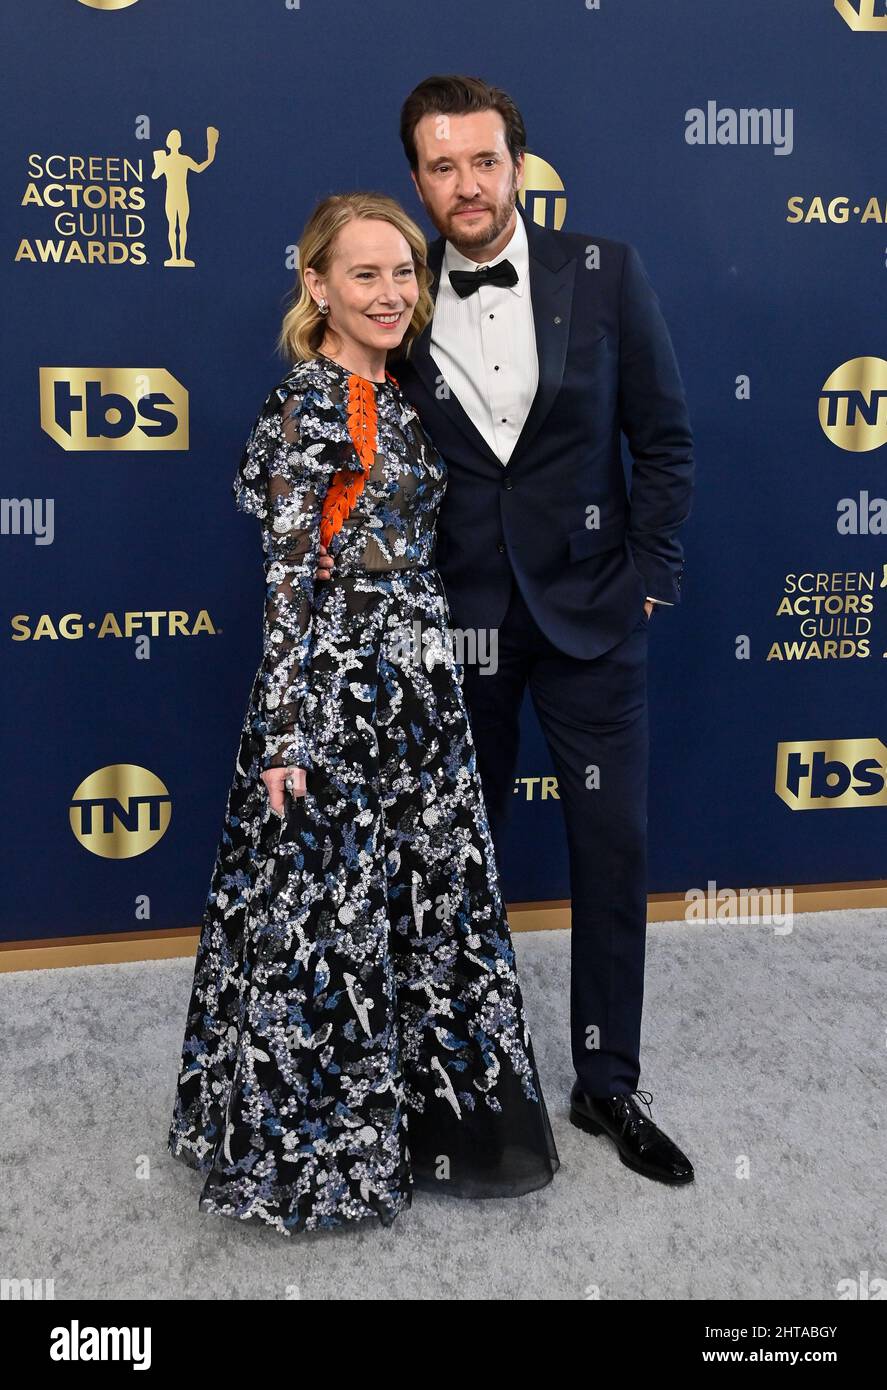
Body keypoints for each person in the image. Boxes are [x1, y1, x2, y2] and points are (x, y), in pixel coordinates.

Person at [318, 75, 696, 1185]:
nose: (465, 185)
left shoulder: (605, 273)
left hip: (592, 616)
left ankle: (606, 1085)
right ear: (418, 179)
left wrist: (647, 581)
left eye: (482, 161)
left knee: (609, 852)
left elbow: (663, 442)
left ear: (517, 166)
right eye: (440, 166)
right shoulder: (399, 293)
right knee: (442, 864)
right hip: (457, 626)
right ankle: (454, 1091)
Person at [167, 190, 560, 1236]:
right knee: (329, 925)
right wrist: (289, 735)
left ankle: (416, 1124)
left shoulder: (401, 391)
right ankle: (319, 1159)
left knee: (418, 911)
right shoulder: (313, 401)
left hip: (418, 678)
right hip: (339, 692)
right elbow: (290, 574)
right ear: (317, 286)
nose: (391, 294)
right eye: (364, 275)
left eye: (403, 274)